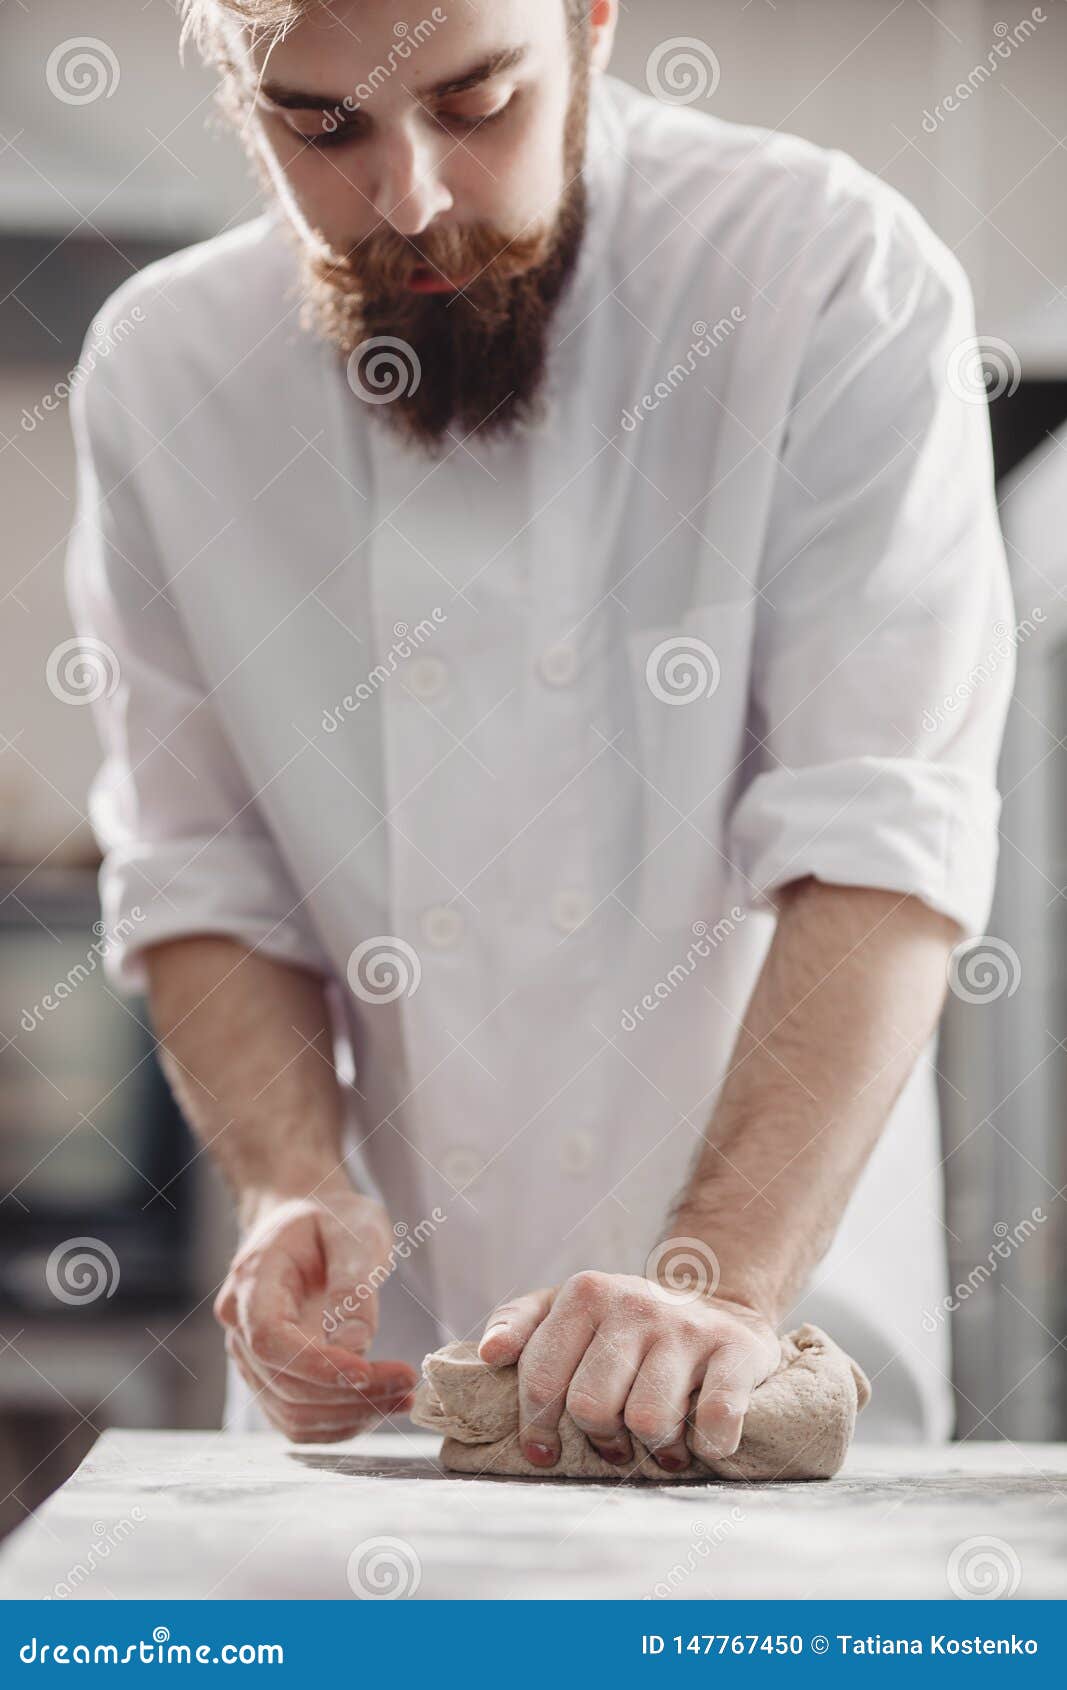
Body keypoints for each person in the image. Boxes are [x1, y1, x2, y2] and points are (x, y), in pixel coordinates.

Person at [66, 0, 1014, 1470]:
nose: (410, 199)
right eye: (320, 126)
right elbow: (195, 873)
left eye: (476, 101)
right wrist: (288, 1188)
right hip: (390, 1395)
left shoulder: (828, 274)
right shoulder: (161, 367)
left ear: (592, 22)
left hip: (770, 1350)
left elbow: (881, 840)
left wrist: (723, 1282)